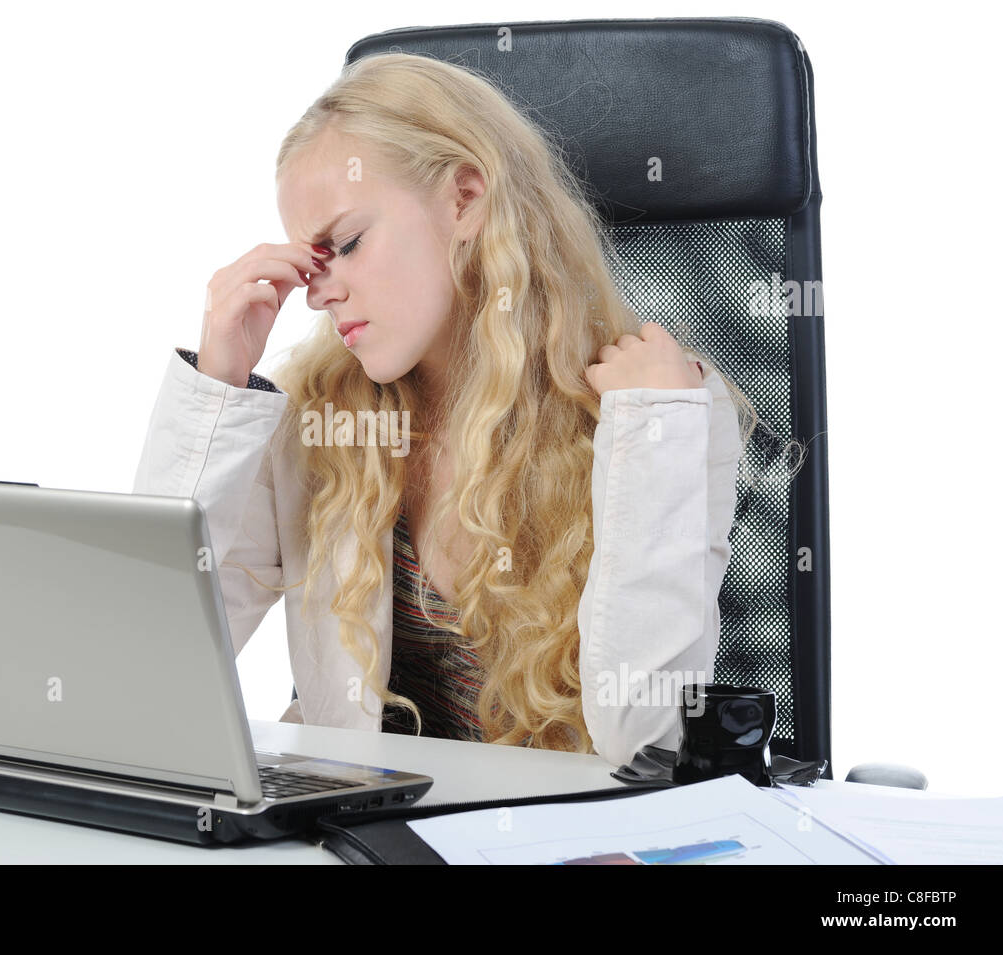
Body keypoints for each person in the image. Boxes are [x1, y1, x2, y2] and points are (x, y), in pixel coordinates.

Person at [134, 52, 759, 766]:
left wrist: (653, 428)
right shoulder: (315, 421)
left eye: (345, 245)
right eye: (311, 265)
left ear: (464, 198)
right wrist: (218, 385)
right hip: (360, 835)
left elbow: (645, 741)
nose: (318, 293)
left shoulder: (657, 411)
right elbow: (147, 660)